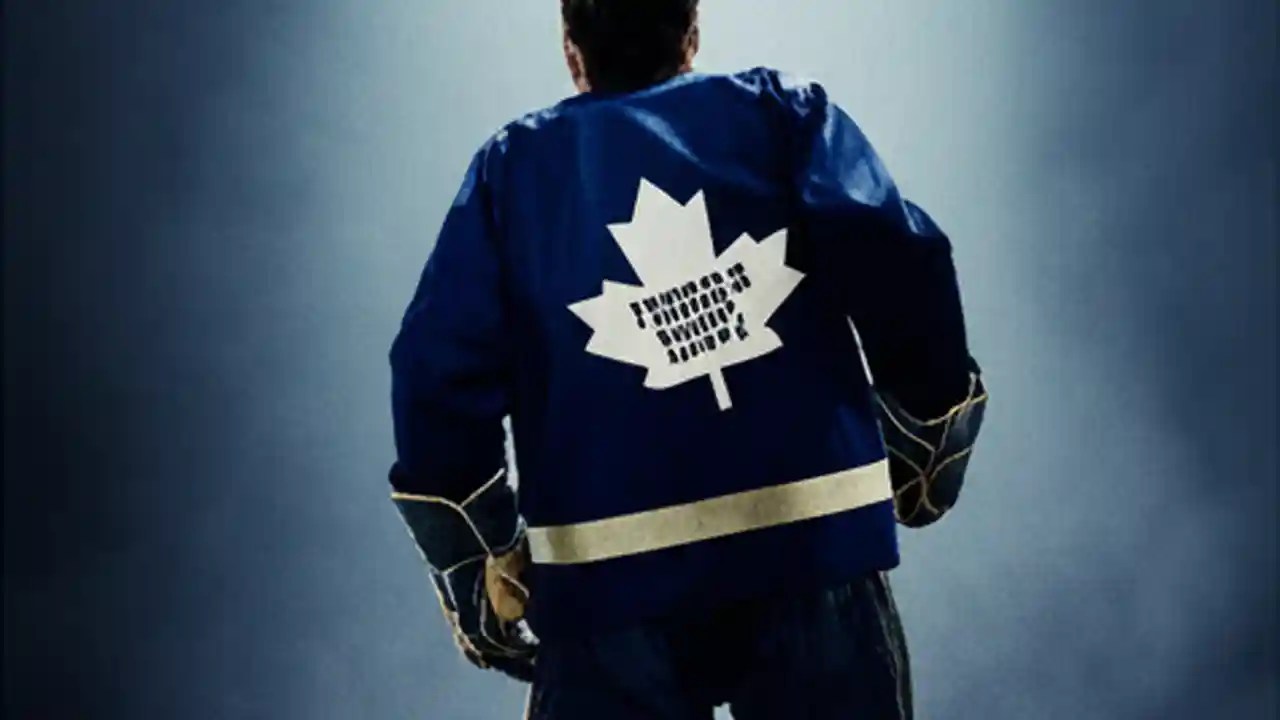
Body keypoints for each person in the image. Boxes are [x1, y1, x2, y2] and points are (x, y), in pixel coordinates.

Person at [387, 1, 988, 717]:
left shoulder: (510, 173)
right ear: (692, 33)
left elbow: (436, 377)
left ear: (571, 50)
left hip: (607, 591)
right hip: (812, 555)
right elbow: (899, 260)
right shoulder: (783, 116)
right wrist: (926, 435)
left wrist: (479, 559)